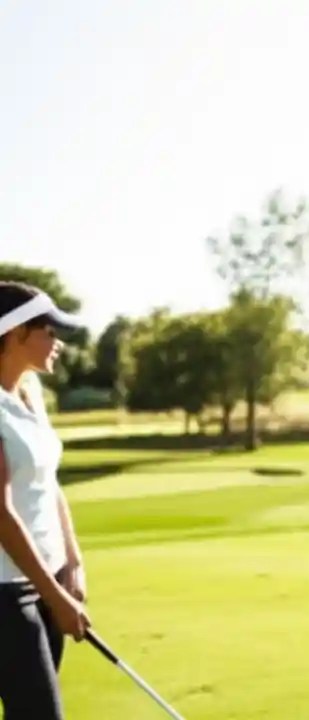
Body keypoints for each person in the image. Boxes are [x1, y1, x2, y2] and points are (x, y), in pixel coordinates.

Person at [0, 280, 92, 720]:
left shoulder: (30, 392)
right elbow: (0, 513)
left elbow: (48, 484)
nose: (59, 344)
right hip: (6, 592)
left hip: (46, 578)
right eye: (49, 332)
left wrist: (72, 563)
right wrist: (53, 595)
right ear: (17, 333)